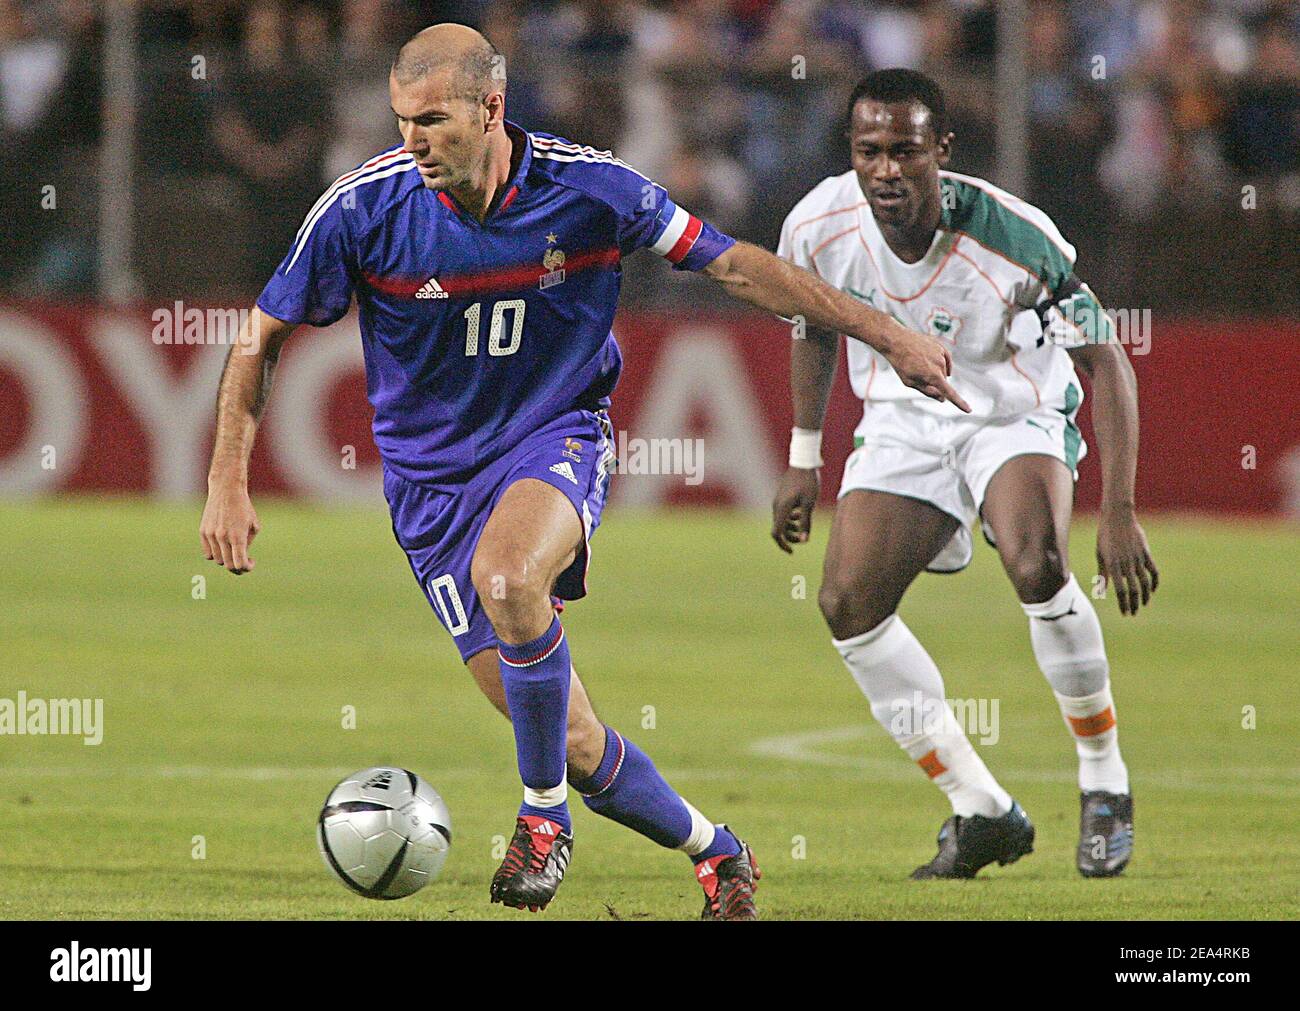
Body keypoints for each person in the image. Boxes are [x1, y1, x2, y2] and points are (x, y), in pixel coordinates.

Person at [201, 27, 962, 918]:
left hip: (555, 437)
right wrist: (227, 476)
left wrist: (892, 334)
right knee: (569, 735)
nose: (412, 142)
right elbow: (261, 338)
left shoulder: (591, 188)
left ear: (492, 108)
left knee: (510, 574)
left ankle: (542, 822)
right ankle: (719, 853)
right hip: (431, 496)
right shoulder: (363, 210)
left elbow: (739, 269)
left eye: (433, 122)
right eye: (403, 121)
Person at [771, 69, 1158, 879]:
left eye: (905, 151)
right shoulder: (816, 225)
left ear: (940, 151)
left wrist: (1118, 509)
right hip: (906, 422)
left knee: (1036, 562)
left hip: (1012, 411)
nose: (885, 170)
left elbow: (1106, 358)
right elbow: (812, 327)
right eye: (868, 151)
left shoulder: (1016, 236)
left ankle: (1104, 780)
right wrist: (804, 457)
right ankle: (982, 810)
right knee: (847, 603)